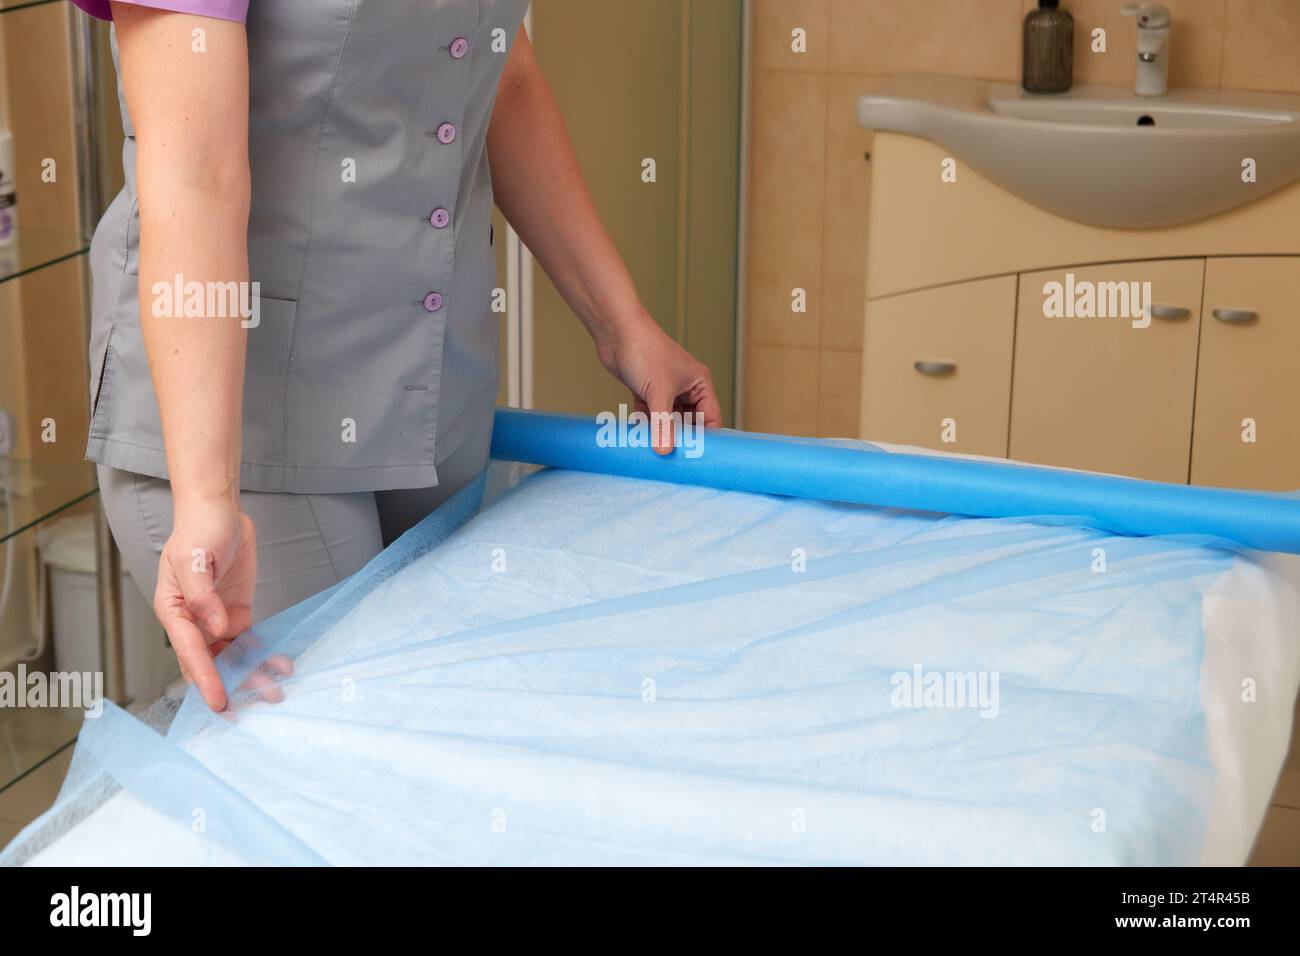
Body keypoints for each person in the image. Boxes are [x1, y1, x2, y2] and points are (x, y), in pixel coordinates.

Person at [72, 0, 722, 710]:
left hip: (438, 399)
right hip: (251, 438)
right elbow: (196, 173)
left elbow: (501, 74)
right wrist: (205, 497)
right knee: (342, 755)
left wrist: (625, 327)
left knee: (445, 738)